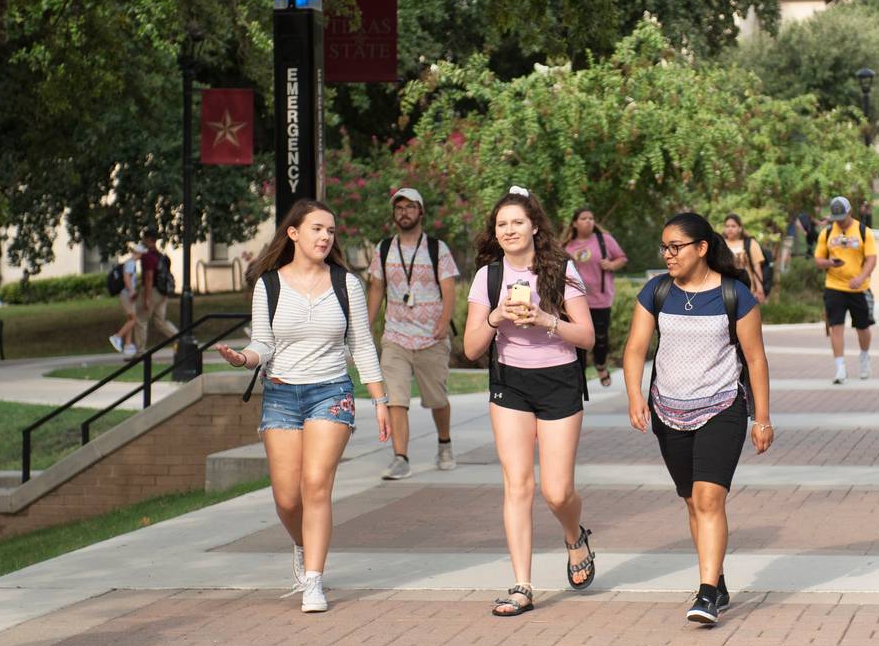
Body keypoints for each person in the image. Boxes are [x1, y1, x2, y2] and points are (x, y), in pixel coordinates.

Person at [216, 199, 389, 614]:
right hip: (281, 394)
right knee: (287, 499)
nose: (325, 237)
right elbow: (263, 343)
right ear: (293, 233)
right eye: (316, 229)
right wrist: (244, 358)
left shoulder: (346, 284)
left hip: (331, 392)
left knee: (316, 484)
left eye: (330, 230)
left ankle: (314, 580)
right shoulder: (268, 284)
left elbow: (361, 344)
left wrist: (380, 400)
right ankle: (302, 543)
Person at [622, 212, 774, 626]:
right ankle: (717, 577)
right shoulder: (657, 291)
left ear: (701, 248)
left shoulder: (734, 295)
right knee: (692, 501)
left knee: (710, 499)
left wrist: (761, 418)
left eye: (676, 247)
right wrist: (635, 394)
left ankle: (707, 593)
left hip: (722, 407)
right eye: (664, 248)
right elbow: (636, 348)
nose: (668, 255)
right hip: (668, 410)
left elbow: (756, 359)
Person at [463, 187, 598, 618]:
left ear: (534, 226)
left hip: (559, 381)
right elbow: (469, 348)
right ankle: (522, 584)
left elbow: (587, 337)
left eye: (516, 222)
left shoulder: (560, 270)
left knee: (557, 492)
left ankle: (574, 535)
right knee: (517, 484)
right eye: (501, 224)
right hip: (510, 384)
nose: (509, 230)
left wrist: (545, 320)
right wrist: (495, 317)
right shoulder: (489, 277)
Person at [365, 187, 460, 480]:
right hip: (396, 336)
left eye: (409, 207)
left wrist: (444, 322)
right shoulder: (383, 249)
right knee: (395, 398)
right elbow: (377, 289)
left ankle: (444, 444)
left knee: (437, 399)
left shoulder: (437, 248)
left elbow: (448, 288)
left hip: (431, 336)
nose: (403, 212)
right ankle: (400, 457)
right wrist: (364, 327)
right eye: (398, 208)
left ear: (421, 212)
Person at [814, 195, 877, 383]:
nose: (839, 222)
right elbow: (818, 260)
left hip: (859, 288)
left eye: (842, 217)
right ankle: (840, 367)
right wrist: (829, 263)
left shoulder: (863, 231)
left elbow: (872, 259)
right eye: (836, 219)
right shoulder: (827, 233)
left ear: (849, 212)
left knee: (863, 328)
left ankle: (864, 356)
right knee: (836, 327)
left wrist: (861, 277)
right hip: (834, 286)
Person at [564, 207, 629, 387]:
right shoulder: (567, 246)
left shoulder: (604, 240)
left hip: (601, 298)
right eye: (584, 218)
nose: (588, 222)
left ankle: (601, 365)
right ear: (575, 223)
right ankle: (580, 376)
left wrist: (611, 264)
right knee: (578, 339)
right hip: (575, 300)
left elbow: (622, 258)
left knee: (600, 338)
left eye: (591, 218)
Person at [133, 234, 178, 348]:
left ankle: (139, 351)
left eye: (144, 238)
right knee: (160, 321)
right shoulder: (161, 256)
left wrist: (147, 298)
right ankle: (181, 339)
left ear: (149, 240)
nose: (142, 241)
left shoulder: (147, 256)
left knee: (140, 319)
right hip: (163, 291)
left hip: (152, 290)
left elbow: (149, 277)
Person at [720, 213, 770, 302]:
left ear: (740, 228)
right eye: (727, 226)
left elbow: (756, 267)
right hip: (724, 290)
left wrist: (759, 289)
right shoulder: (720, 243)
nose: (730, 229)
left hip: (747, 290)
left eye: (733, 226)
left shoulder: (750, 243)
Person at [108, 251, 139, 356]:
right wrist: (132, 291)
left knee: (130, 319)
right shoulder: (130, 263)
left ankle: (128, 345)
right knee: (134, 319)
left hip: (127, 294)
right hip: (127, 294)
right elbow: (126, 279)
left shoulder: (130, 262)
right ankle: (117, 337)